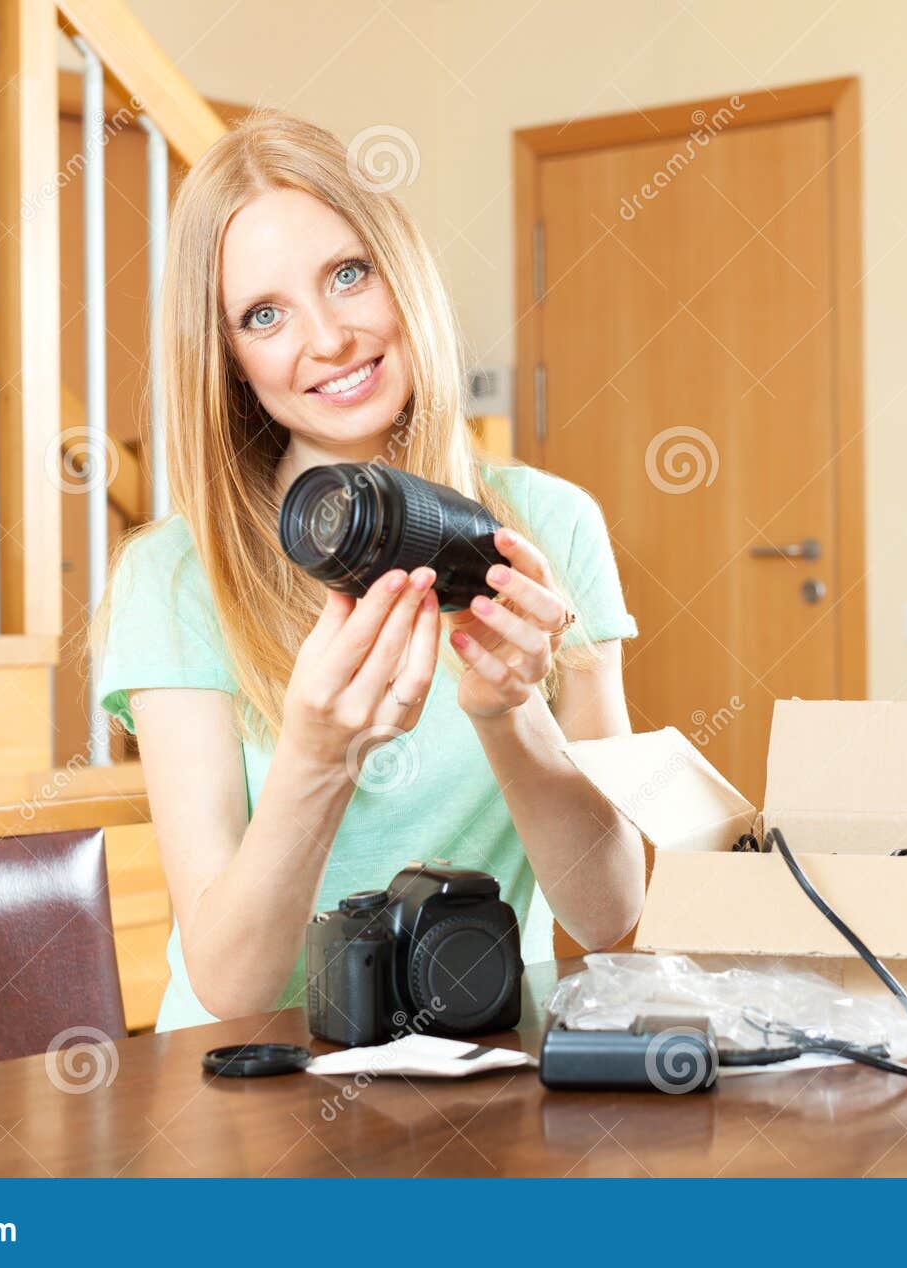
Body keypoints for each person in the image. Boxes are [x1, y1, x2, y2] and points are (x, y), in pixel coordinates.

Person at [95, 111, 645, 1032]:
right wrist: (317, 758)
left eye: (348, 274)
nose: (329, 339)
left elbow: (608, 913)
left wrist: (512, 713)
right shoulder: (176, 578)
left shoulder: (548, 527)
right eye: (264, 315)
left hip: (483, 1056)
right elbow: (230, 987)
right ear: (230, 362)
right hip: (261, 1078)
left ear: (402, 270)